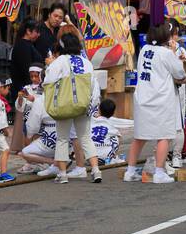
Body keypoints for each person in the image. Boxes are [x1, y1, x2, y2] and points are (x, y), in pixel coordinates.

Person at [124, 23, 186, 185]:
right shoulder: (165, 53)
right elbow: (180, 73)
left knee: (139, 136)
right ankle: (159, 172)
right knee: (163, 136)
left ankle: (130, 171)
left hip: (143, 98)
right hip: (161, 99)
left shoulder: (145, 49)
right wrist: (174, 55)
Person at [41, 33, 101, 186]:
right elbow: (94, 85)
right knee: (85, 137)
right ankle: (95, 170)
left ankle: (62, 174)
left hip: (65, 105)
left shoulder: (60, 61)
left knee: (62, 138)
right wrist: (93, 104)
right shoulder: (86, 62)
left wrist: (49, 65)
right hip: (84, 105)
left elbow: (48, 80)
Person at [90, 96, 132, 165]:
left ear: (99, 110)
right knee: (117, 137)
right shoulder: (110, 124)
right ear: (113, 113)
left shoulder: (92, 121)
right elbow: (119, 137)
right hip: (105, 157)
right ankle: (111, 156)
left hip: (91, 156)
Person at [0, 76, 13, 183]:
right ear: (1, 87)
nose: (8, 91)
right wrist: (7, 131)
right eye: (7, 88)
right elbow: (1, 120)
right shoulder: (0, 102)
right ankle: (3, 174)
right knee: (5, 150)